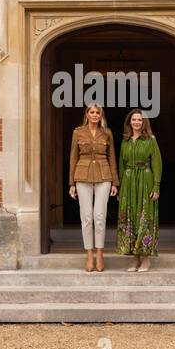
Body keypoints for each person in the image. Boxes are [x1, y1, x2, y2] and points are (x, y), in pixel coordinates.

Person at [68, 103, 118, 273]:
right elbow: (73, 158)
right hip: (82, 177)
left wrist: (115, 182)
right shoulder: (78, 132)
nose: (95, 115)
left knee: (99, 217)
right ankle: (89, 255)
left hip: (104, 177)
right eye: (92, 112)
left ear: (101, 115)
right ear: (87, 114)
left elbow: (112, 157)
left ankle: (100, 254)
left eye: (98, 113)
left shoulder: (107, 133)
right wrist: (71, 183)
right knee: (87, 217)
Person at [116, 109, 162, 272]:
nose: (137, 122)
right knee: (130, 218)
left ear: (144, 123)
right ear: (130, 122)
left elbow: (157, 163)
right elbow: (121, 164)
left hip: (145, 179)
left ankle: (146, 259)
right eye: (134, 120)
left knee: (145, 217)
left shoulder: (150, 139)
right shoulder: (125, 140)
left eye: (139, 120)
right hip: (128, 182)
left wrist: (156, 186)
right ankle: (135, 259)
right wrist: (119, 187)